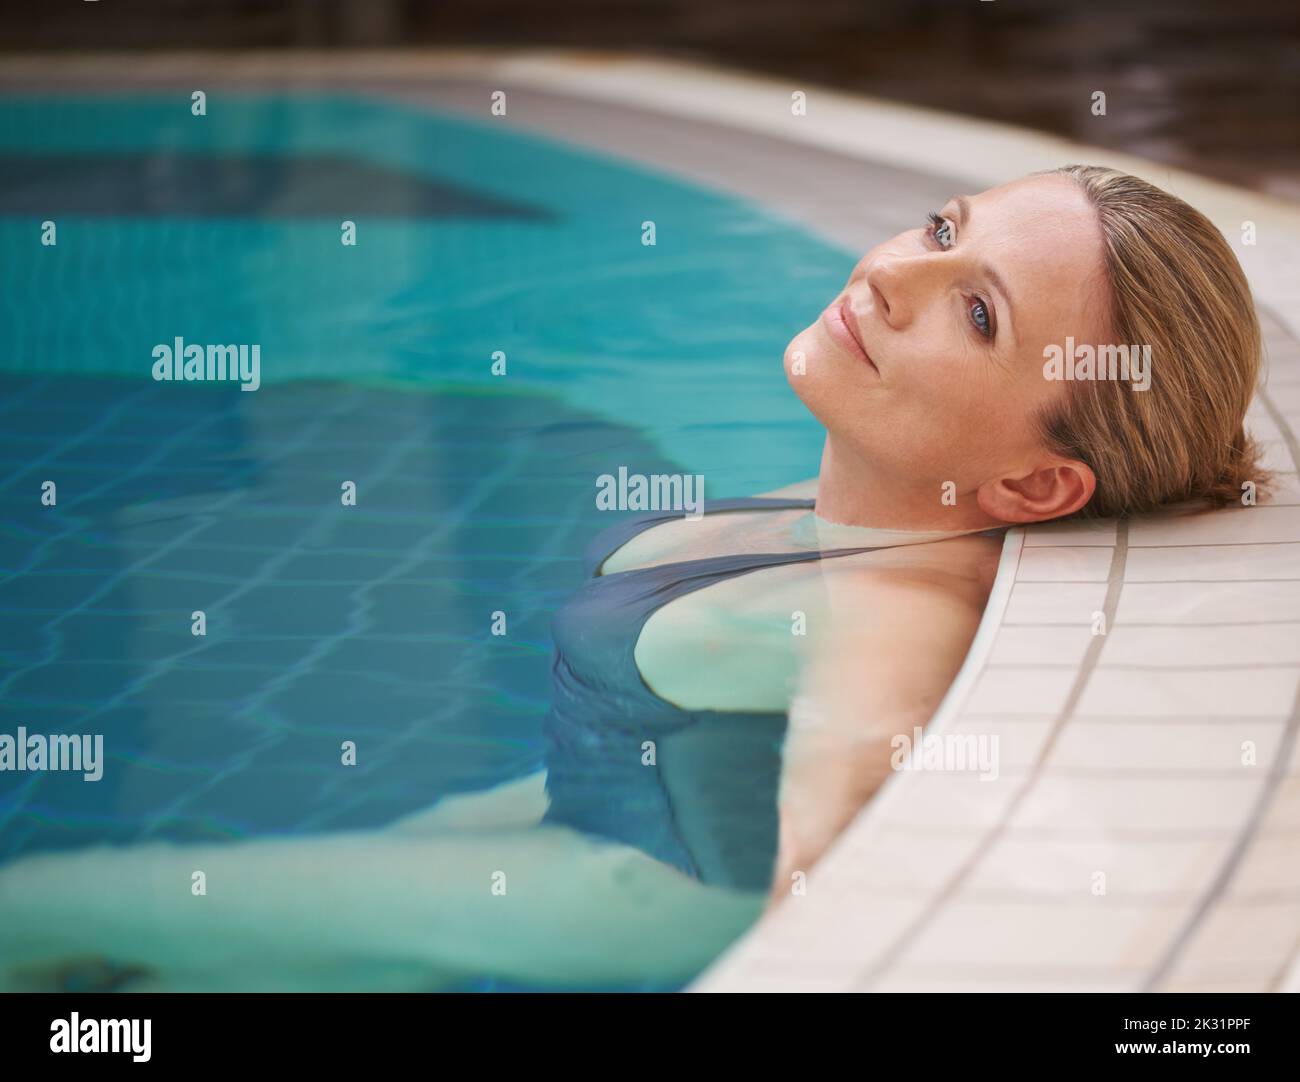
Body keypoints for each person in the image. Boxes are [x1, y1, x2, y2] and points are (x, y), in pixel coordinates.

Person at [0, 166, 1266, 990]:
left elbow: (834, 830)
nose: (890, 273)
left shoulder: (894, 600)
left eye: (975, 310)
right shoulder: (876, 496)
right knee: (182, 978)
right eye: (943, 228)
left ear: (1037, 486)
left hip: (630, 896)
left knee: (47, 905)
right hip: (586, 812)